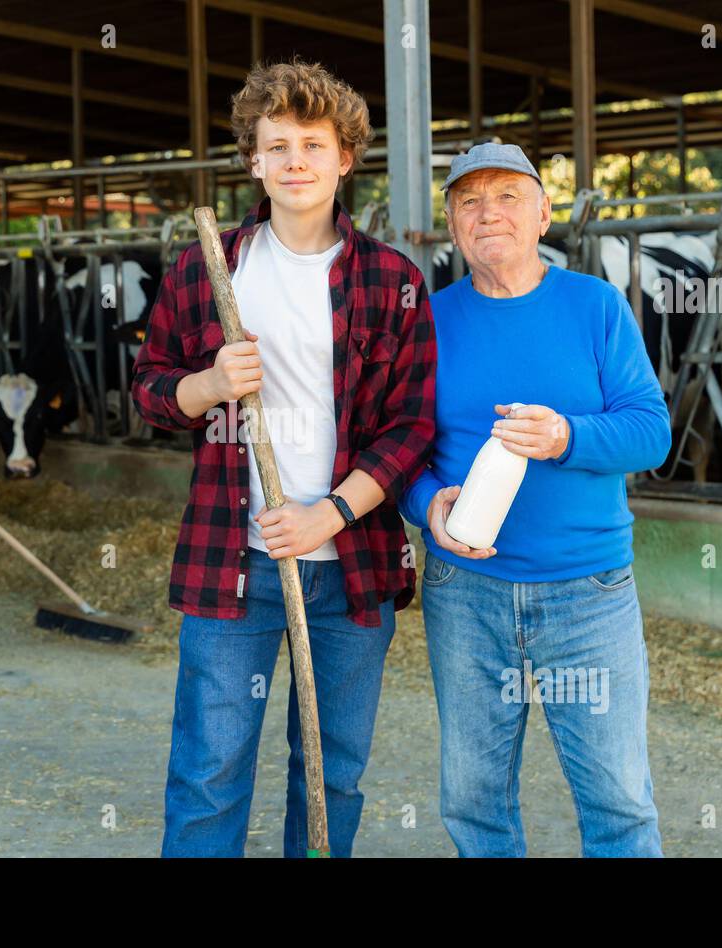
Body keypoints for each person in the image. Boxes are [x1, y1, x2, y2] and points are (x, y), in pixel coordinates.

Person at [131, 59, 437, 857]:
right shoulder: (209, 268)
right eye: (277, 145)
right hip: (232, 564)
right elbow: (149, 392)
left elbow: (411, 428)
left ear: (344, 158)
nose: (295, 159)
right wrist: (206, 384)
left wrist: (328, 515)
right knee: (207, 771)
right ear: (253, 161)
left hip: (352, 564)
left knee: (332, 774)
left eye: (313, 143)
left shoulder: (393, 281)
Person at [400, 143, 671, 857]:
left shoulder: (596, 307)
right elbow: (398, 450)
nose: (488, 213)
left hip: (588, 591)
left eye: (508, 196)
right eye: (469, 201)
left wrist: (564, 436)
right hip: (466, 592)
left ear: (544, 213)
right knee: (474, 799)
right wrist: (426, 505)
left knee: (616, 798)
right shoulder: (428, 322)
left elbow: (651, 434)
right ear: (453, 224)